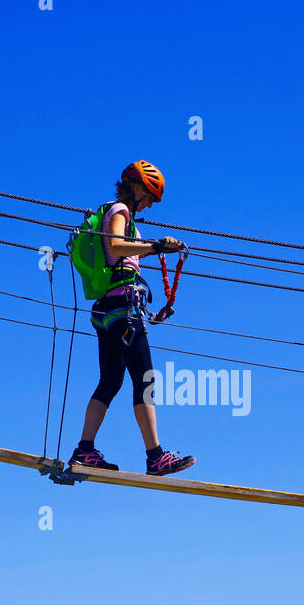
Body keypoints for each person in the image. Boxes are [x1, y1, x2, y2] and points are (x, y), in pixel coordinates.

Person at [69, 161, 196, 476]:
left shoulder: (118, 215)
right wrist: (154, 246)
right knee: (145, 379)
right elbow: (114, 248)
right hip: (122, 308)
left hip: (106, 310)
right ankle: (156, 456)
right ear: (136, 187)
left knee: (110, 380)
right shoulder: (120, 211)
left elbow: (118, 256)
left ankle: (85, 451)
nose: (150, 204)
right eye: (149, 196)